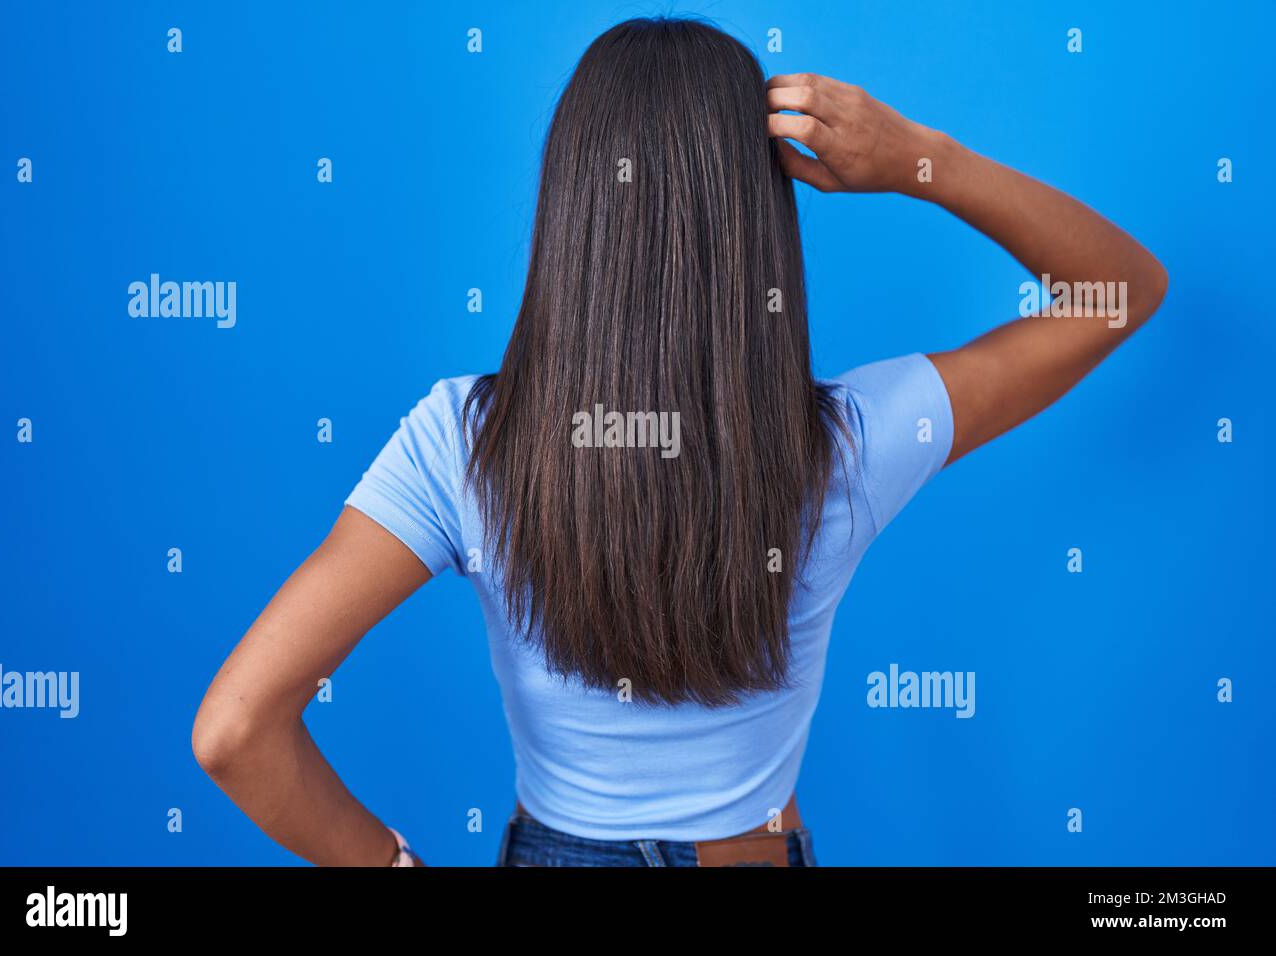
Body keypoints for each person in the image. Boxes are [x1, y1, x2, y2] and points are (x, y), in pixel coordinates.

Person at [191, 17, 1166, 867]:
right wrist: (921, 157)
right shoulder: (847, 444)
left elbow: (236, 730)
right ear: (756, 224)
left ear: (570, 208)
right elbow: (1119, 290)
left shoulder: (459, 440)